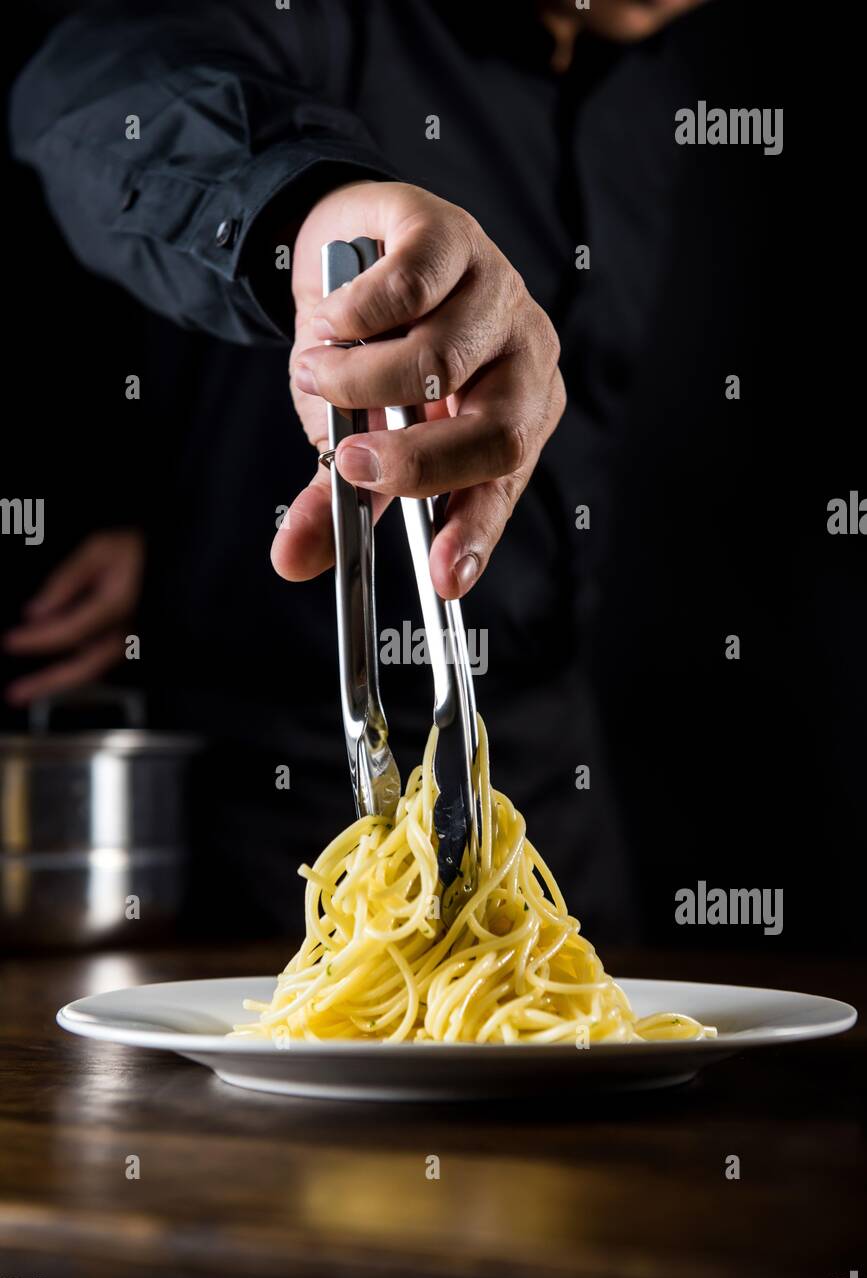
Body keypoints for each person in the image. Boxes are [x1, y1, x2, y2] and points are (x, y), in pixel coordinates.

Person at [10, 0, 750, 944]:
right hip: (263, 769)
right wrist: (305, 206)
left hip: (555, 752)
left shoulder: (661, 91)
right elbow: (96, 77)